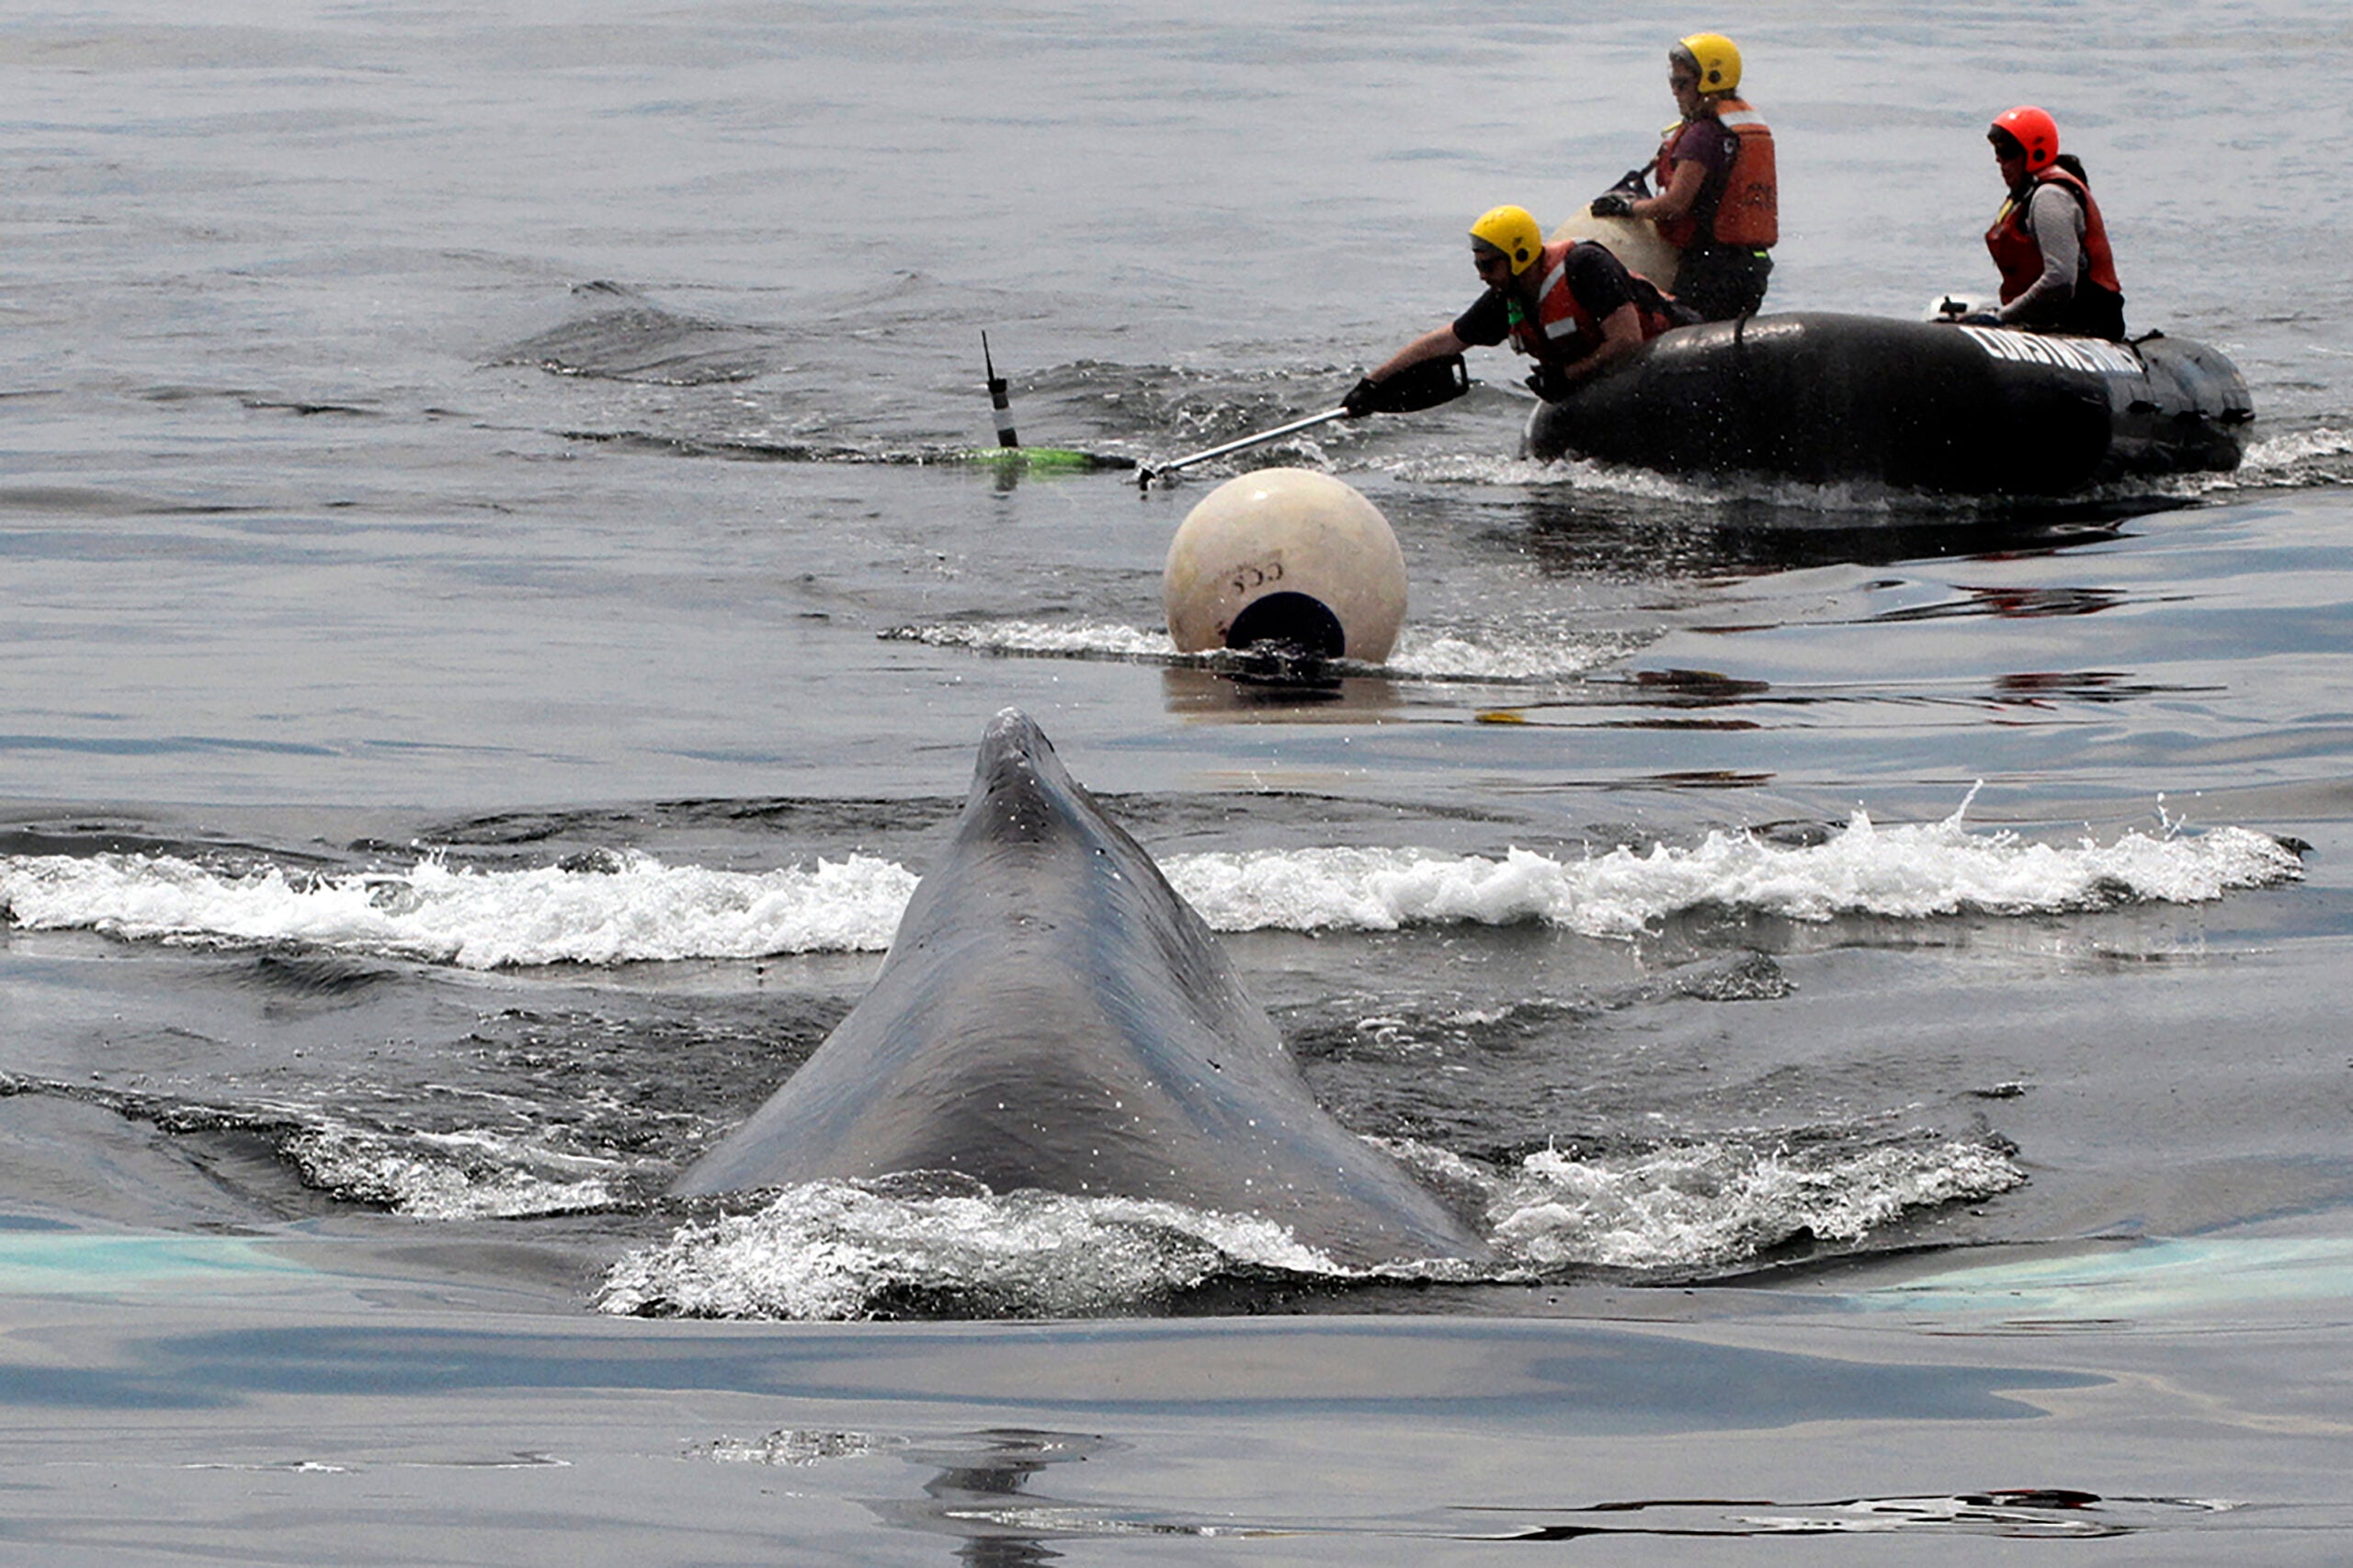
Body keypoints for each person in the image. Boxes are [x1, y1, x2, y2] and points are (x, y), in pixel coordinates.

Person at [1344, 205, 1687, 412]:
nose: (1482, 276)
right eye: (1478, 266)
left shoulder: (1585, 267)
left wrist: (1567, 376)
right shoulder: (1508, 297)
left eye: (1488, 266)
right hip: (1614, 382)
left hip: (1674, 356)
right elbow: (1447, 340)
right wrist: (1373, 383)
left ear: (1519, 256)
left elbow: (1627, 340)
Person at [1588, 32, 1776, 322]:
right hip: (1751, 267)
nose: (1675, 91)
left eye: (1682, 83)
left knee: (1686, 332)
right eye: (1672, 82)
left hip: (1711, 270)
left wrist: (1628, 207)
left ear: (1710, 82)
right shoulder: (1735, 128)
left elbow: (1675, 204)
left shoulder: (1703, 135)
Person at [1965, 105, 2127, 340]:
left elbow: (2060, 279)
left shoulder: (2050, 198)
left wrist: (2002, 317)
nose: (1999, 159)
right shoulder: (2025, 196)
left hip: (2086, 324)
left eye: (2007, 151)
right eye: (1997, 151)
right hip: (2049, 321)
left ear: (2034, 152)